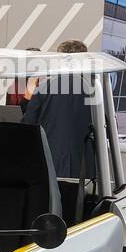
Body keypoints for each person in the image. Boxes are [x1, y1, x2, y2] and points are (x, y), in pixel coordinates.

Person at [22, 39, 93, 180]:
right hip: (85, 165)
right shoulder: (94, 90)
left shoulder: (43, 88)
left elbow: (28, 126)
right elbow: (106, 128)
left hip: (50, 162)